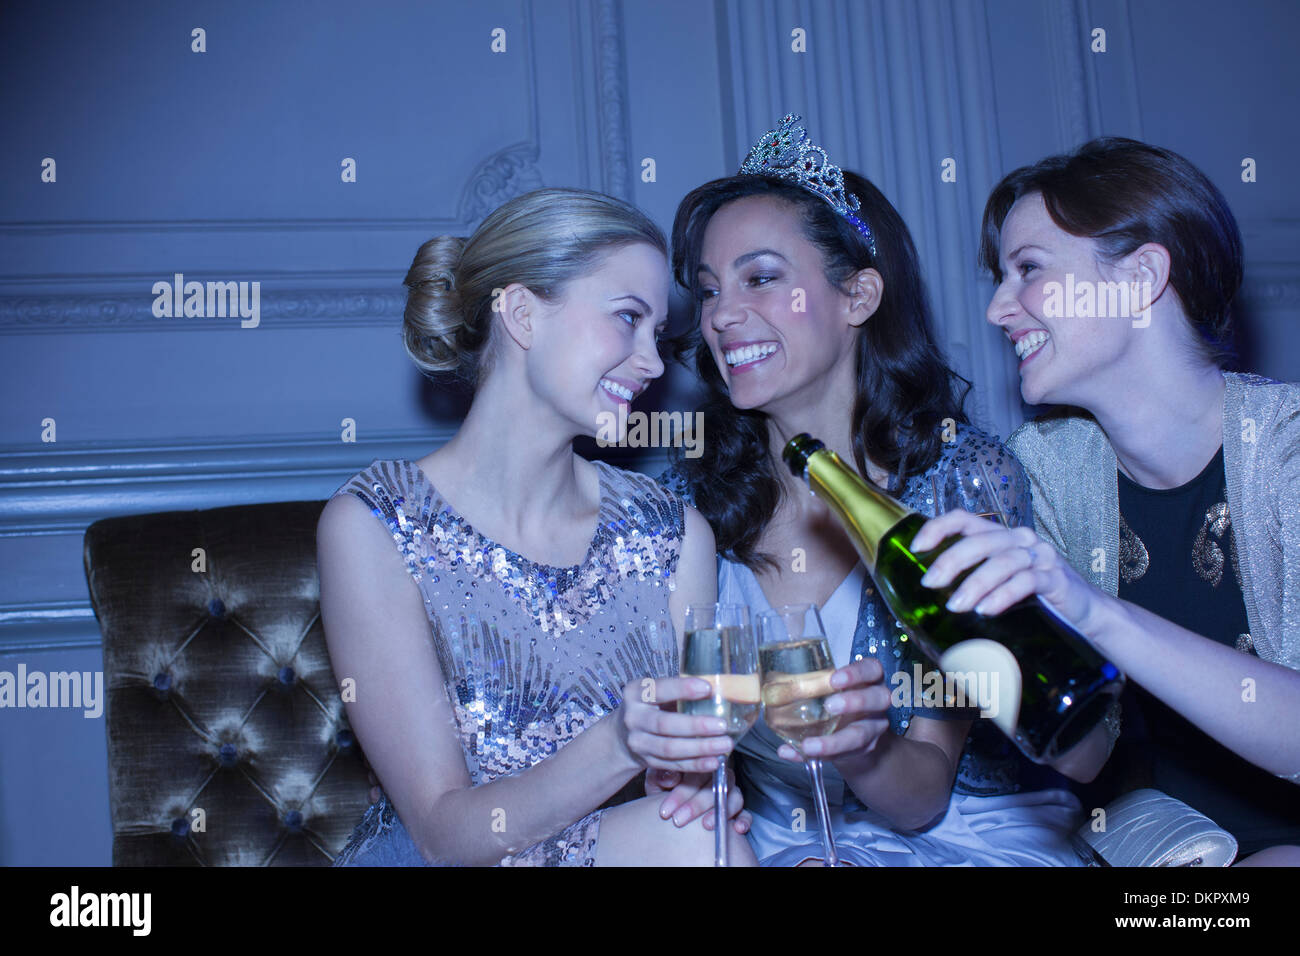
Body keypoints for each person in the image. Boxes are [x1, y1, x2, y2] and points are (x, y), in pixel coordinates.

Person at [653, 115, 1092, 866]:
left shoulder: (963, 482)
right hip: (766, 843)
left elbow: (922, 792)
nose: (722, 317)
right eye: (709, 290)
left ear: (858, 297)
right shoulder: (686, 503)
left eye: (760, 278)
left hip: (965, 836)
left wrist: (855, 748)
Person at [318, 187, 757, 866]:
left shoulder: (670, 535)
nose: (652, 361)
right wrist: (617, 744)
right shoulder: (376, 524)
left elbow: (679, 784)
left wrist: (694, 792)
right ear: (521, 312)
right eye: (627, 318)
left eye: (659, 335)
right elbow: (441, 837)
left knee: (700, 835)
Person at [911, 137, 1300, 865]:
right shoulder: (1045, 471)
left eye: (1027, 269)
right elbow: (1086, 761)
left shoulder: (1286, 452)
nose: (999, 308)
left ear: (1141, 277)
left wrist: (1093, 613)